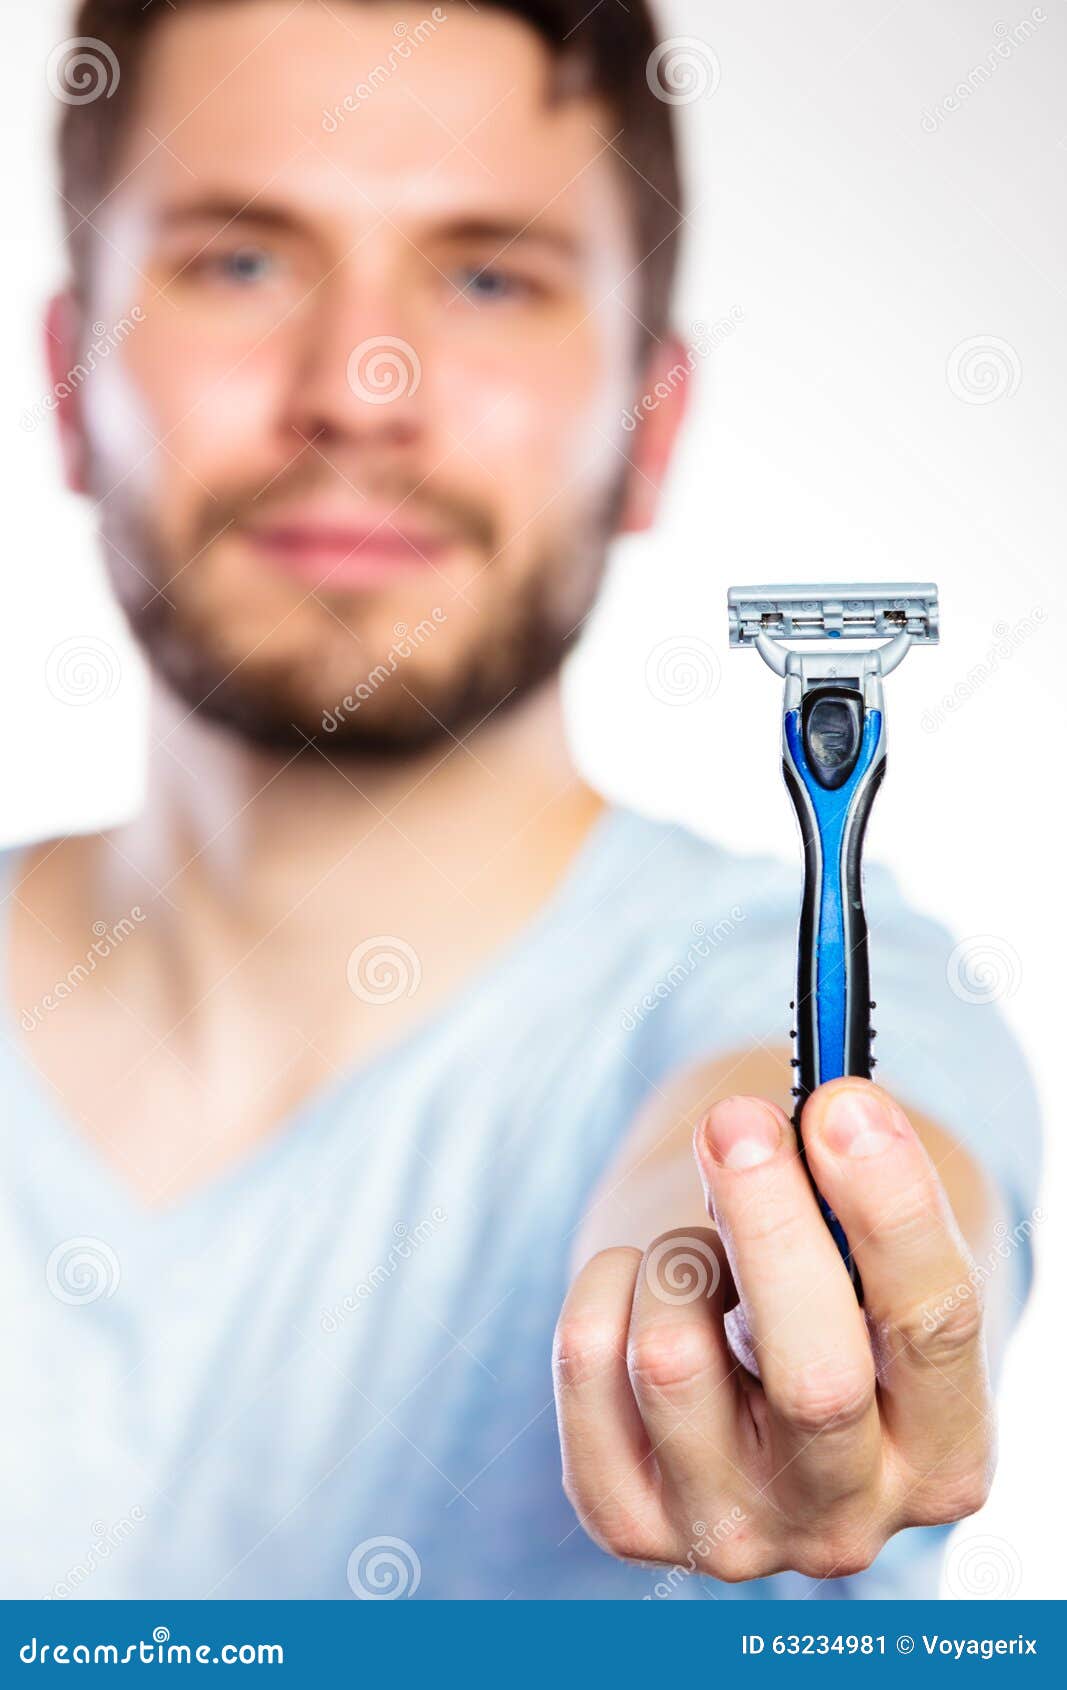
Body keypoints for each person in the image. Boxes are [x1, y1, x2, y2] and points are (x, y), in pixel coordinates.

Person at [1, 0, 1039, 1600]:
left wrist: (729, 1287)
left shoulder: (802, 986)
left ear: (652, 423)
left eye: (489, 278)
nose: (360, 387)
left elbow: (791, 1151)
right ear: (71, 385)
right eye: (240, 261)